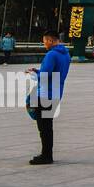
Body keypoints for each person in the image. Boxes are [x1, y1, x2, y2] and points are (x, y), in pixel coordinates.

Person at [27, 31, 71, 164]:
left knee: (43, 127)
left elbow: (45, 75)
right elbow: (54, 73)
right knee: (47, 125)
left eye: (45, 41)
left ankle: (46, 155)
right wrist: (38, 71)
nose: (44, 43)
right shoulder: (66, 54)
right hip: (56, 92)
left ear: (51, 41)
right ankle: (47, 154)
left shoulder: (51, 54)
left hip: (45, 94)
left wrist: (34, 75)